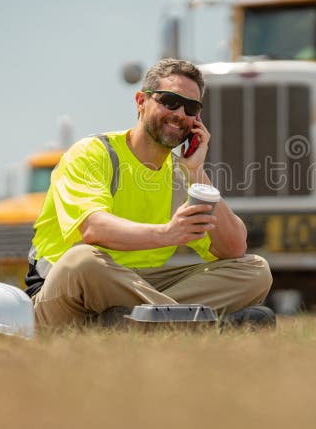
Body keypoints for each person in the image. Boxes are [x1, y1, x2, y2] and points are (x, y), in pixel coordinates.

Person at [25, 58, 274, 328]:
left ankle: (132, 321)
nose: (180, 113)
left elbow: (234, 248)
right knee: (81, 260)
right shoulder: (93, 153)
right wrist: (169, 233)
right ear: (141, 101)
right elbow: (94, 229)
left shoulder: (183, 175)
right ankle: (195, 324)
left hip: (137, 287)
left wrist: (196, 171)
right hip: (68, 289)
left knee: (256, 271)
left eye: (191, 107)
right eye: (170, 101)